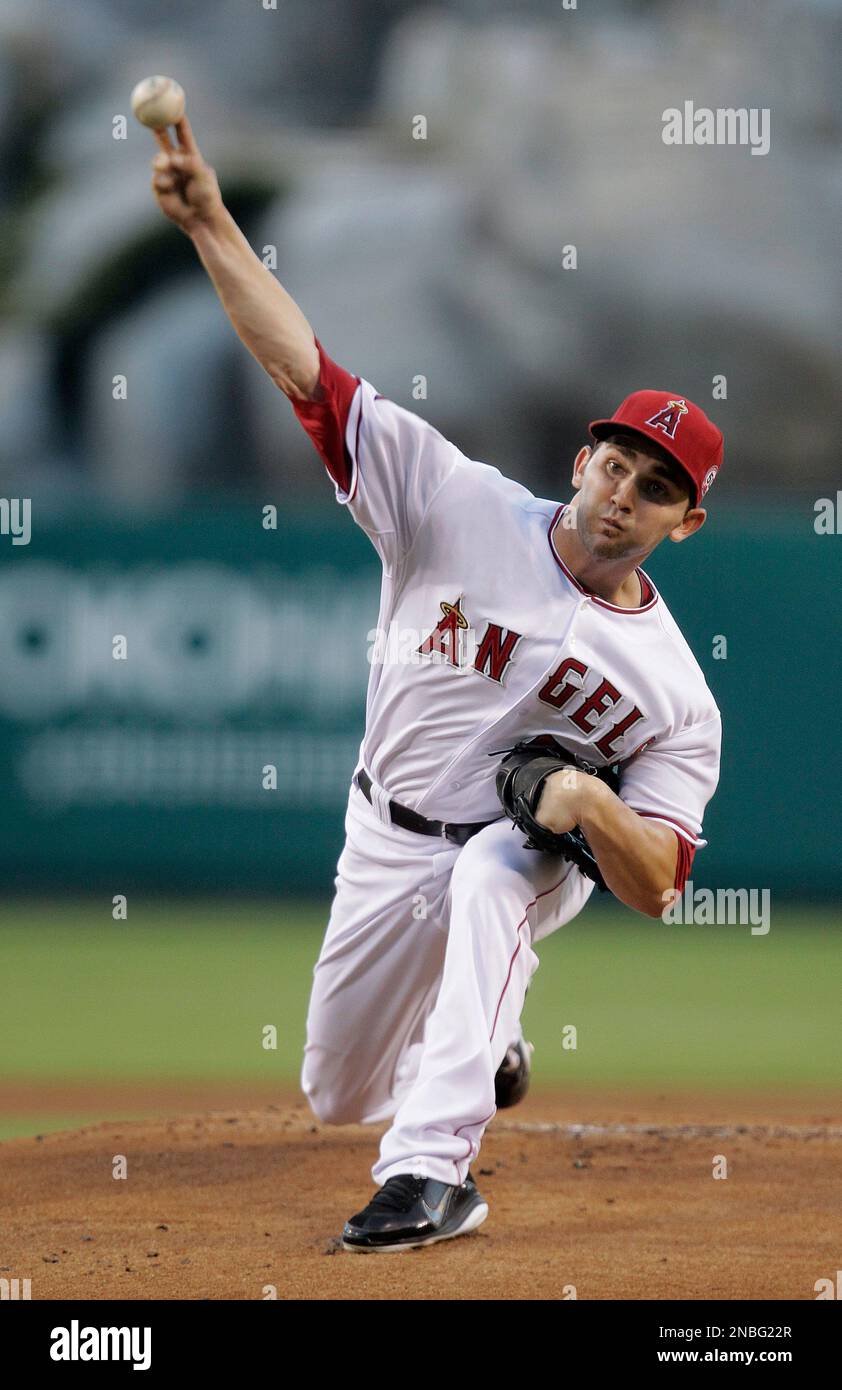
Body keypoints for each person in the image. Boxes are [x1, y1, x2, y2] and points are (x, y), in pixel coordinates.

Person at [150, 119, 723, 1253]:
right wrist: (210, 221)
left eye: (654, 486)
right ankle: (487, 1039)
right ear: (581, 457)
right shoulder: (450, 500)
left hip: (517, 855)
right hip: (380, 830)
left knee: (492, 870)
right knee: (332, 1087)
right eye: (616, 462)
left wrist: (589, 806)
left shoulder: (673, 695)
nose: (623, 493)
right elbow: (301, 370)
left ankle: (431, 1173)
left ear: (683, 521)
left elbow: (660, 884)